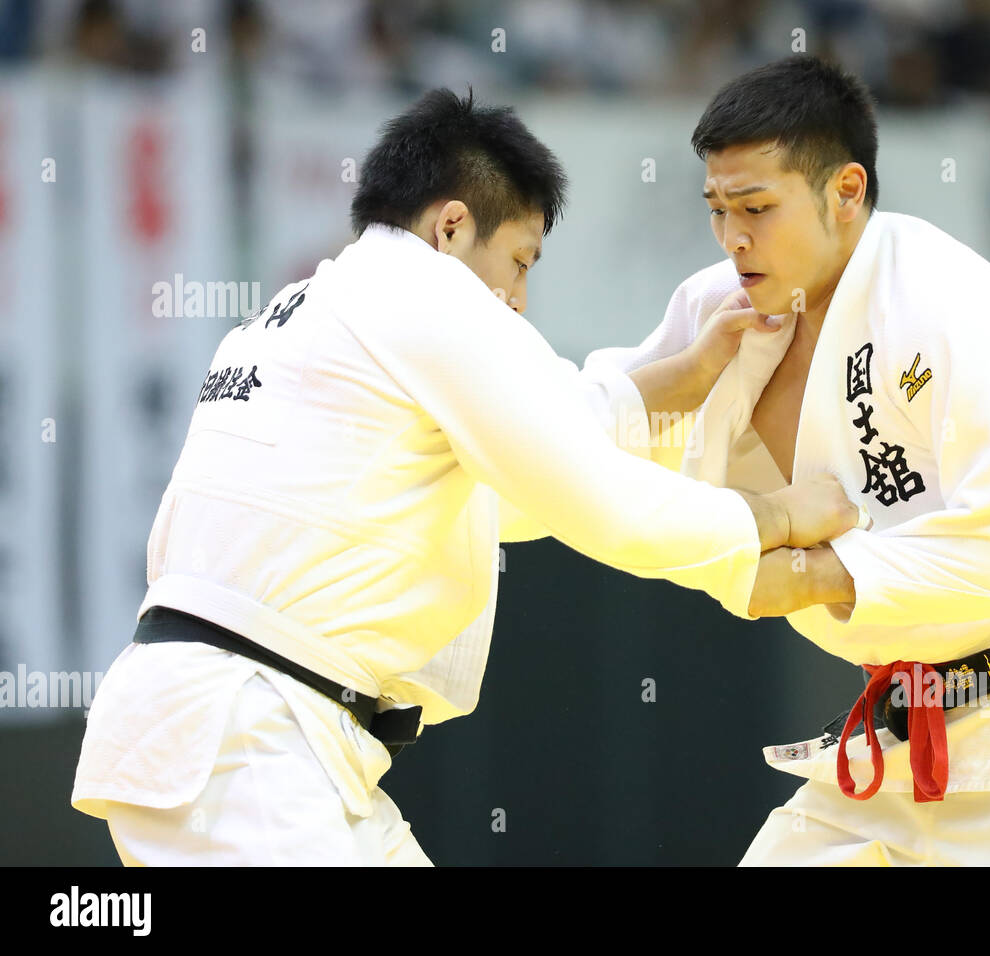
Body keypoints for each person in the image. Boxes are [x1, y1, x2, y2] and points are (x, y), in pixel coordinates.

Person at [70, 88, 859, 866]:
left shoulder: (311, 310)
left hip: (251, 736)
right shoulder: (420, 297)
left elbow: (520, 462)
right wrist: (774, 518)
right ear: (451, 226)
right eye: (518, 263)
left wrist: (678, 381)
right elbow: (593, 500)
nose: (517, 303)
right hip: (247, 746)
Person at [582, 56, 990, 866]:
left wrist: (824, 573)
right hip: (899, 736)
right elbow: (580, 445)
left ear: (846, 192)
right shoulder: (718, 307)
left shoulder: (951, 304)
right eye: (718, 208)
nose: (734, 237)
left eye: (757, 207)